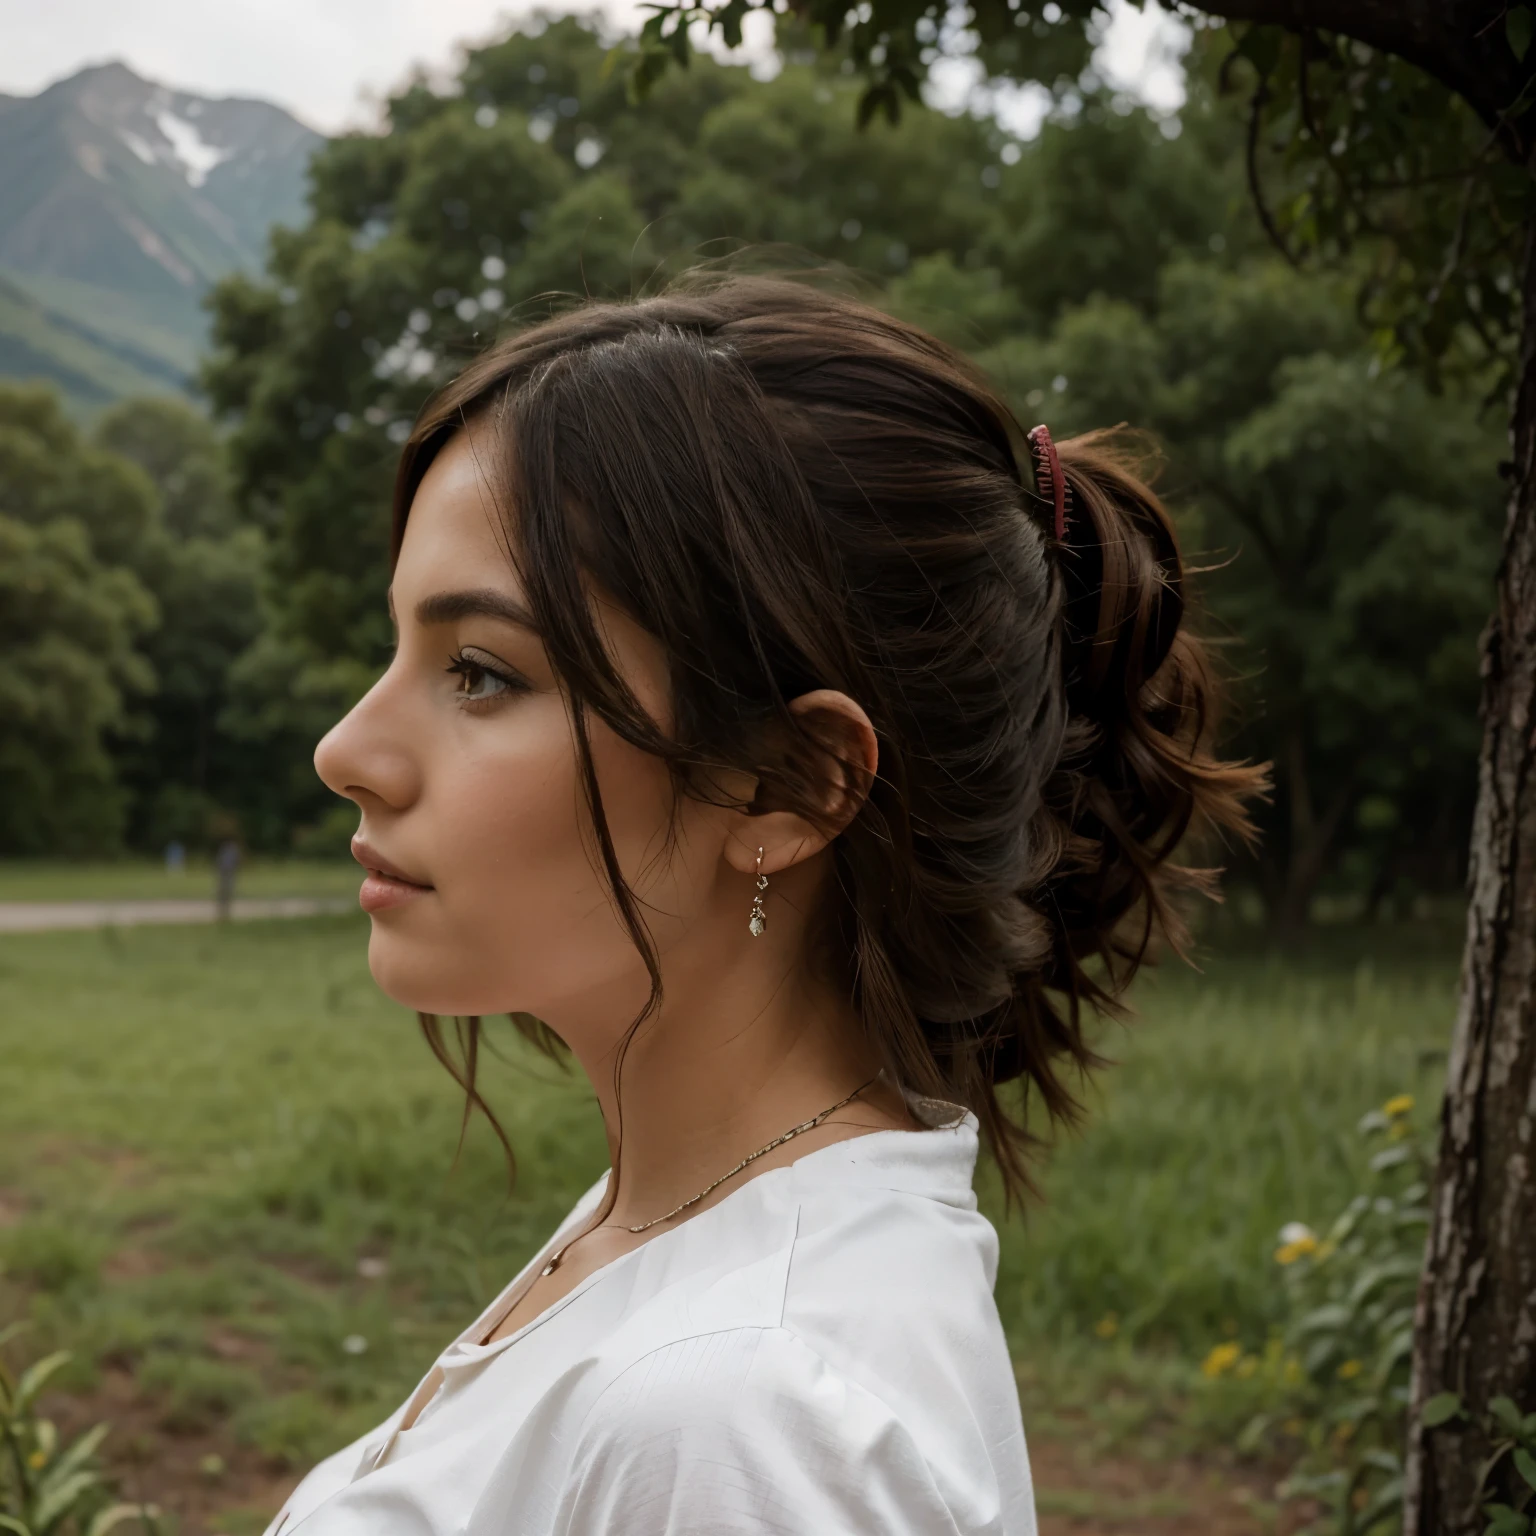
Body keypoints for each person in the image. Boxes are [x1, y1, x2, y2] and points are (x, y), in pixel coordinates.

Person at [280, 275, 1263, 1536]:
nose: (346, 747)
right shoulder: (689, 1226)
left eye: (480, 671)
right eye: (401, 649)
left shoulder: (743, 1418)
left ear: (789, 789)